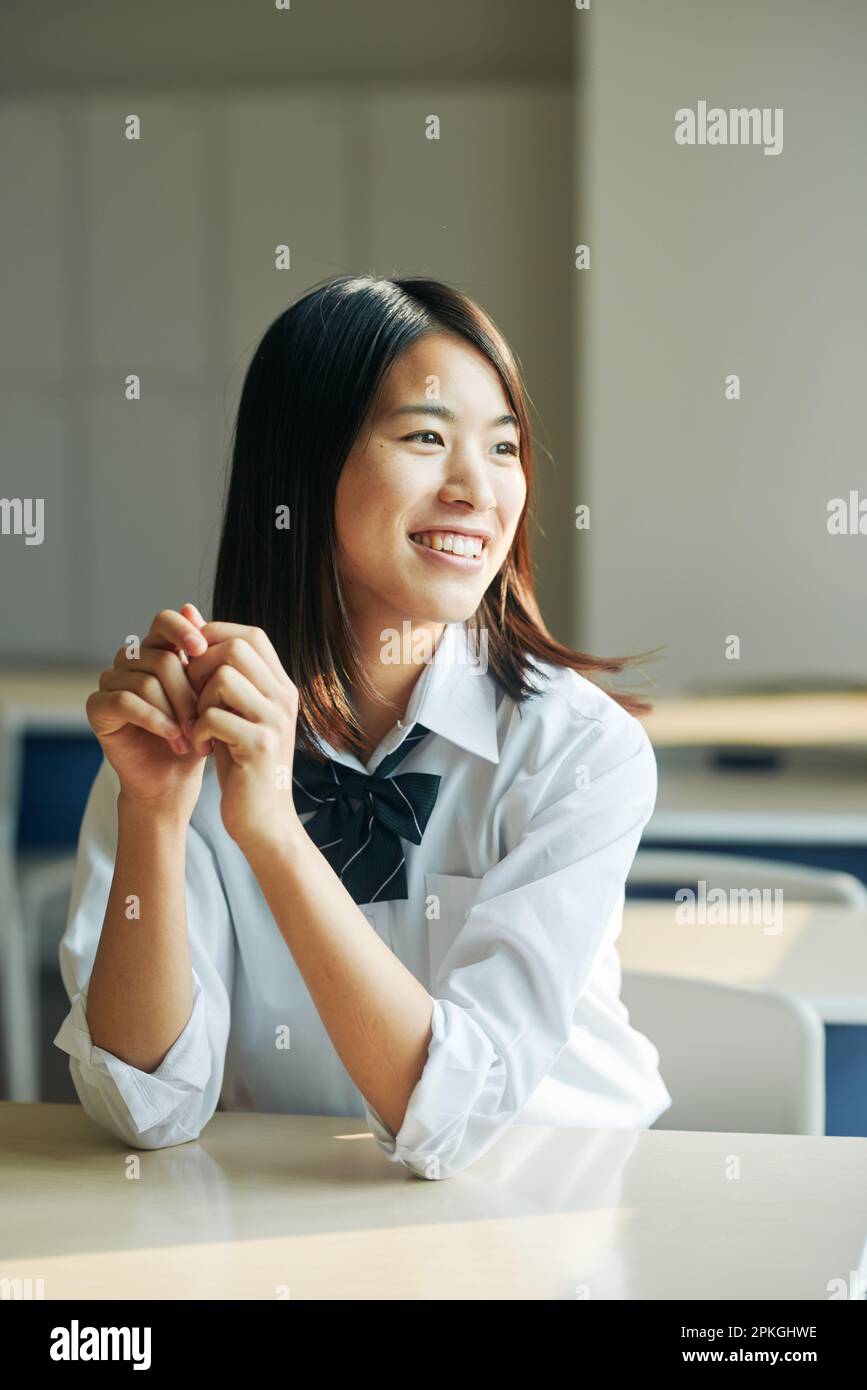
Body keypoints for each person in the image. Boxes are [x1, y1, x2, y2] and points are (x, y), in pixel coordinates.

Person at [55, 274, 672, 1181]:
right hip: (291, 1219)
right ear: (304, 467)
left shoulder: (576, 751)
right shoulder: (187, 735)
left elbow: (456, 1119)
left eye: (503, 448)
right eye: (426, 437)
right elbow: (147, 1108)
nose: (477, 489)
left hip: (558, 1206)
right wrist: (152, 811)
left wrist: (270, 831)